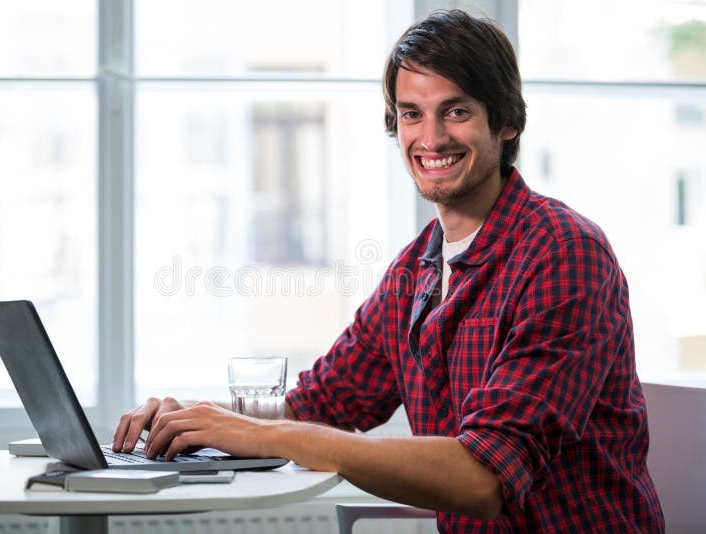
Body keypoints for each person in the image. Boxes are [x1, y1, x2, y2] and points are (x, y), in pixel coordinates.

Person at [113, 9, 664, 532]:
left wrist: (264, 434)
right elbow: (321, 405)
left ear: (507, 123)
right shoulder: (416, 270)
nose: (430, 139)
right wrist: (199, 418)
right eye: (411, 114)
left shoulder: (564, 253)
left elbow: (486, 478)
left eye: (457, 111)